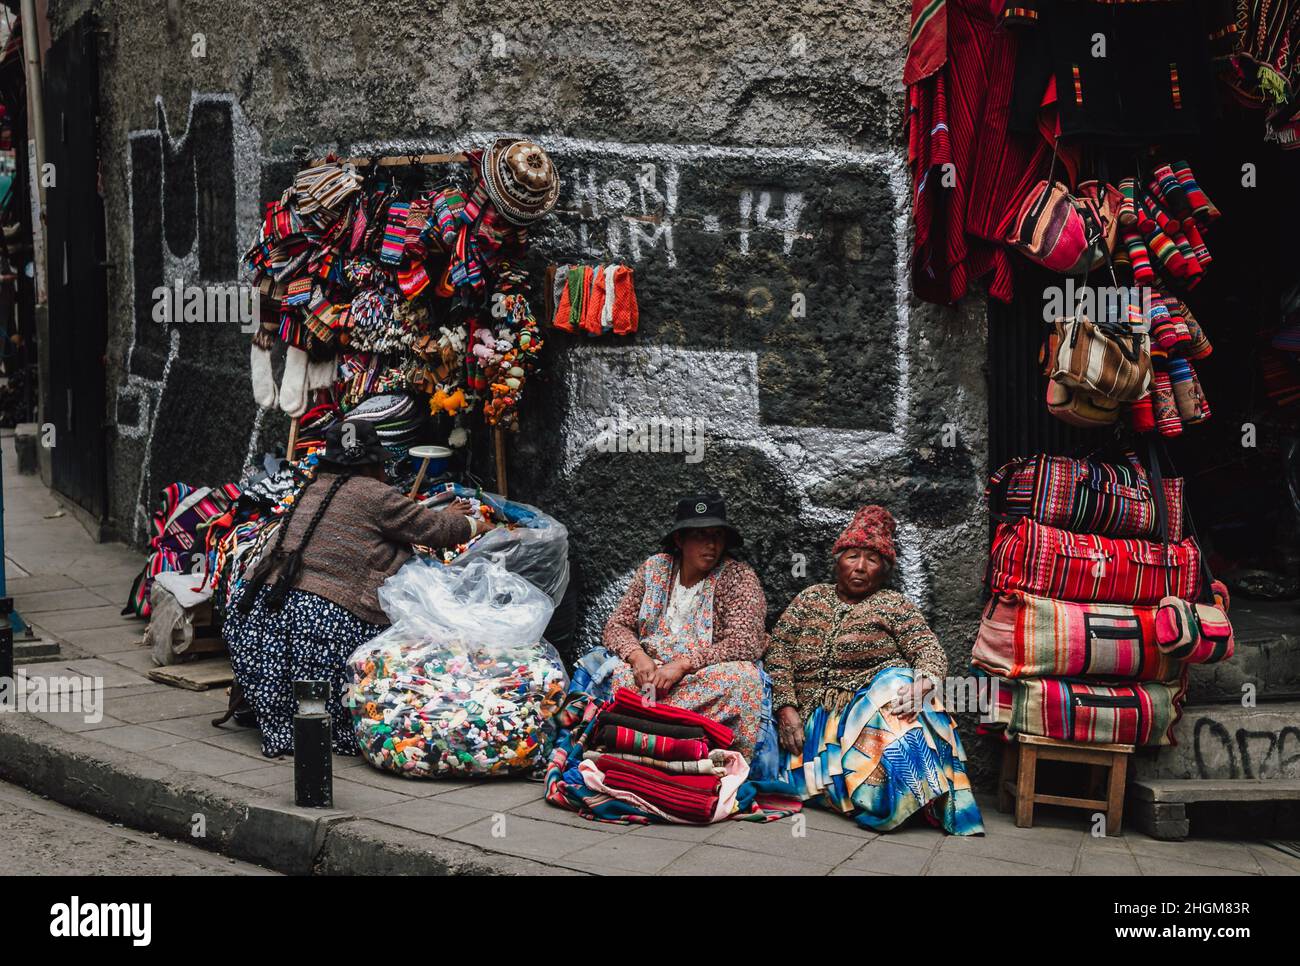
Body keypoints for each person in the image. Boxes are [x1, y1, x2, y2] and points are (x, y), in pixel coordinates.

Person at [223, 419, 475, 758]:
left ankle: (285, 723)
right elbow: (436, 530)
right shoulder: (375, 494)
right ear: (373, 463)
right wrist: (472, 522)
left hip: (259, 615)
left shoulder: (313, 487)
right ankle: (324, 733)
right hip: (317, 619)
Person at [766, 505, 984, 835]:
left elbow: (929, 651)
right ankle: (896, 794)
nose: (860, 567)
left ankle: (908, 793)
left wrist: (922, 684)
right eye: (852, 556)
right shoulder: (810, 599)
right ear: (837, 560)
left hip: (874, 711)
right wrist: (786, 708)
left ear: (884, 569)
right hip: (819, 719)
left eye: (872, 560)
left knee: (898, 683)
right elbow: (778, 650)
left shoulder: (893, 604)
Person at [602, 493, 768, 760]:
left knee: (744, 679)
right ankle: (663, 732)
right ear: (680, 540)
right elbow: (617, 625)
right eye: (701, 535)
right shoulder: (655, 569)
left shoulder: (738, 577)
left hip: (698, 676)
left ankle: (667, 733)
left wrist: (682, 665)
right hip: (650, 676)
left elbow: (744, 643)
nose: (712, 544)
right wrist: (638, 657)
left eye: (717, 535)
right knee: (616, 674)